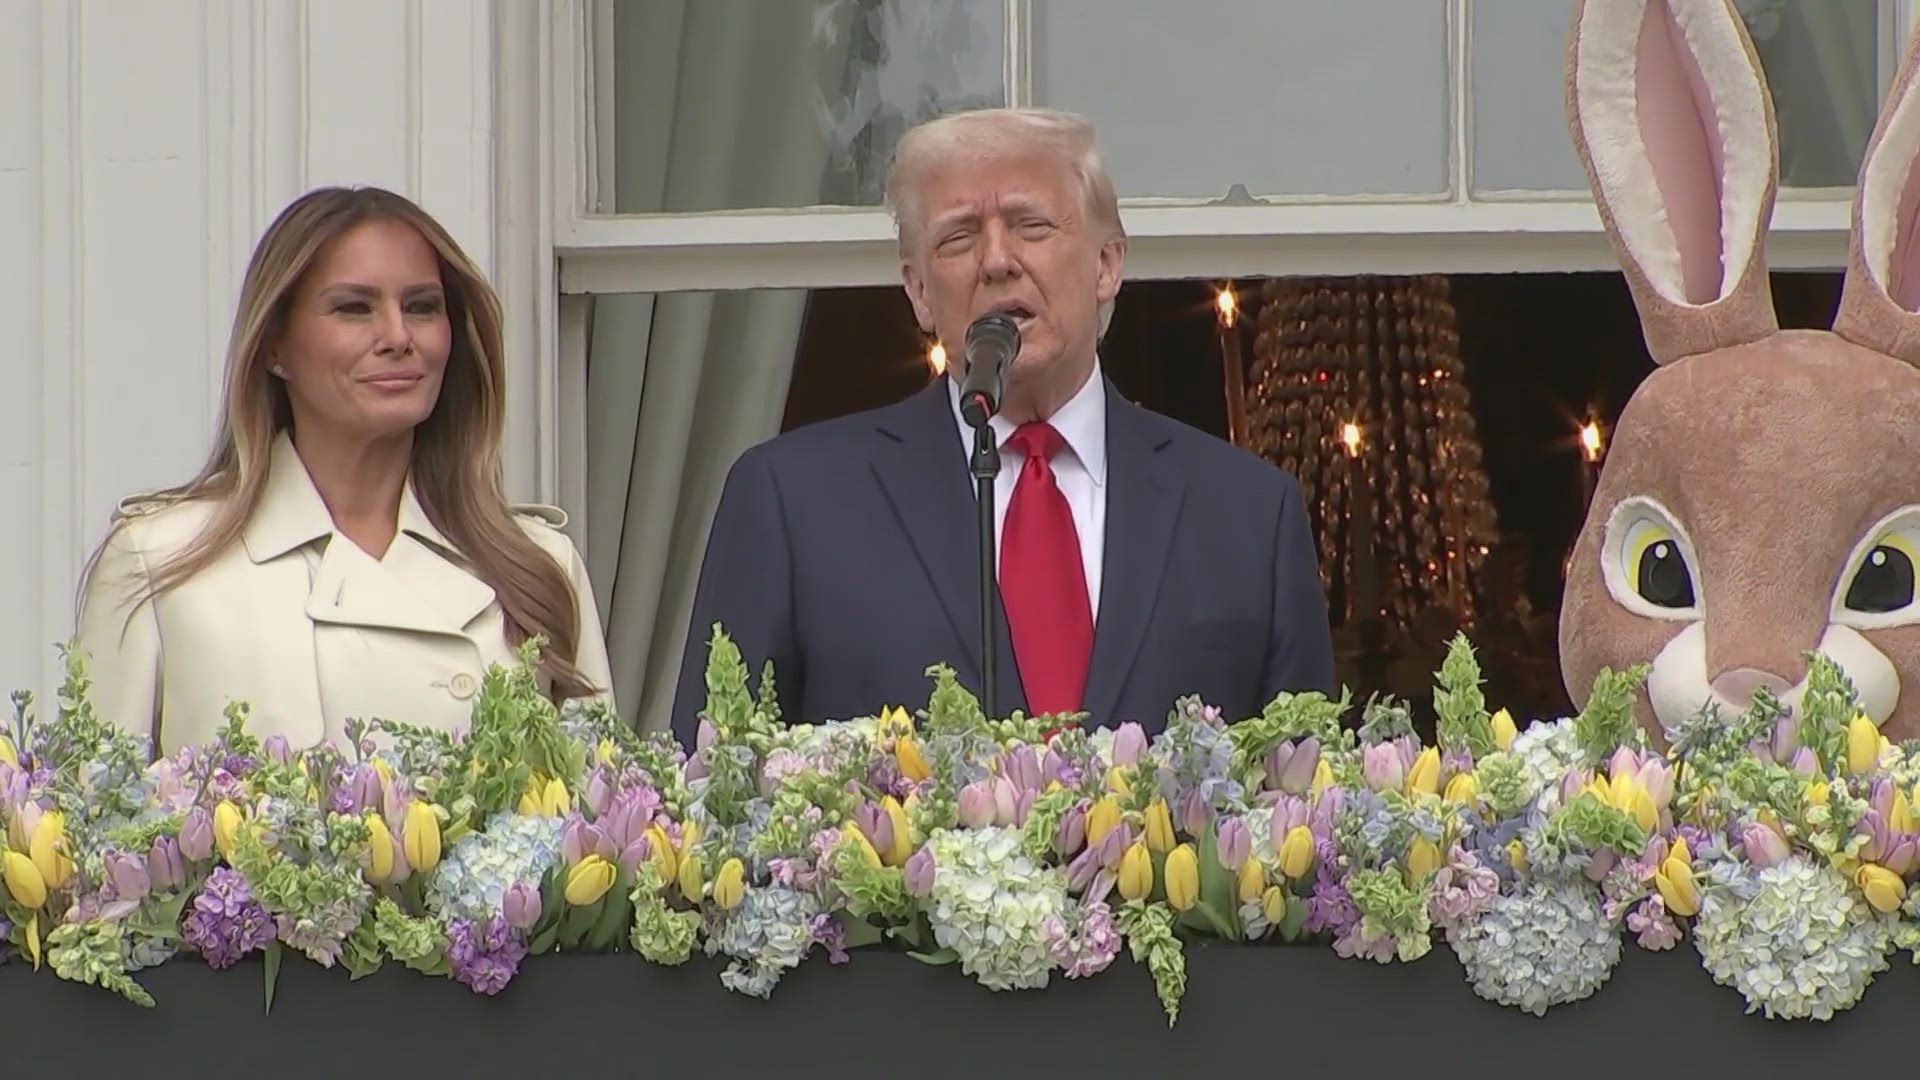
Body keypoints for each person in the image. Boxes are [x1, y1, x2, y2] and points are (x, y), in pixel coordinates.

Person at [669, 108, 1333, 741]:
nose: (996, 260)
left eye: (1031, 225)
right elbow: (717, 807)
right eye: (958, 237)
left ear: (1107, 265)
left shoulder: (1248, 515)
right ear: (919, 291)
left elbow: (1306, 812)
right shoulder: (794, 502)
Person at [74, 186, 613, 756]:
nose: (398, 337)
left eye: (422, 306)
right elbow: (92, 822)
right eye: (354, 308)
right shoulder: (158, 562)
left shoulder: (535, 564)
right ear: (275, 345)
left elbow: (604, 824)